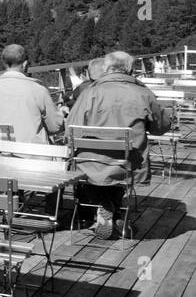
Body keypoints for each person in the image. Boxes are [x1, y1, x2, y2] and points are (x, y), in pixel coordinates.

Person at [66, 51, 173, 239]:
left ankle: (105, 205)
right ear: (131, 69)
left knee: (100, 166)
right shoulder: (143, 93)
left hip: (90, 162)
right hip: (127, 163)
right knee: (120, 164)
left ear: (106, 69)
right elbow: (160, 127)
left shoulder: (90, 92)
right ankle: (112, 208)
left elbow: (71, 129)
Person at [0, 44, 64, 144]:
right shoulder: (38, 90)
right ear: (25, 64)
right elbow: (54, 127)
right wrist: (62, 114)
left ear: (4, 63)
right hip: (28, 155)